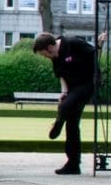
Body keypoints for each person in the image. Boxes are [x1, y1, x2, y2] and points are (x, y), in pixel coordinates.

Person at [33, 32, 99, 175]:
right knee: (72, 124)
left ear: (50, 47)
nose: (45, 57)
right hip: (73, 87)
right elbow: (61, 74)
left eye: (45, 54)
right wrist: (64, 92)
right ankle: (73, 164)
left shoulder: (73, 43)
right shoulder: (55, 57)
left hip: (87, 83)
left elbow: (93, 53)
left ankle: (58, 121)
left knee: (64, 107)